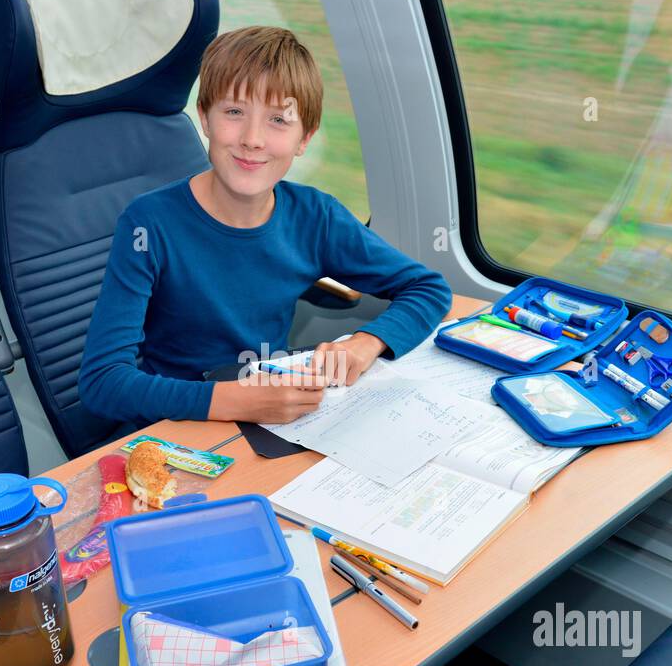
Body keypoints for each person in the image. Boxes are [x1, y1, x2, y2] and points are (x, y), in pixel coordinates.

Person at [77, 26, 452, 427]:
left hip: (273, 412)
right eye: (234, 112)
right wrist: (237, 402)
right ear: (204, 117)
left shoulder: (315, 217)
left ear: (304, 138)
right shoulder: (149, 224)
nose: (253, 139)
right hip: (179, 425)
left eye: (278, 120)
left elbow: (429, 288)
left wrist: (366, 343)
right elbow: (102, 383)